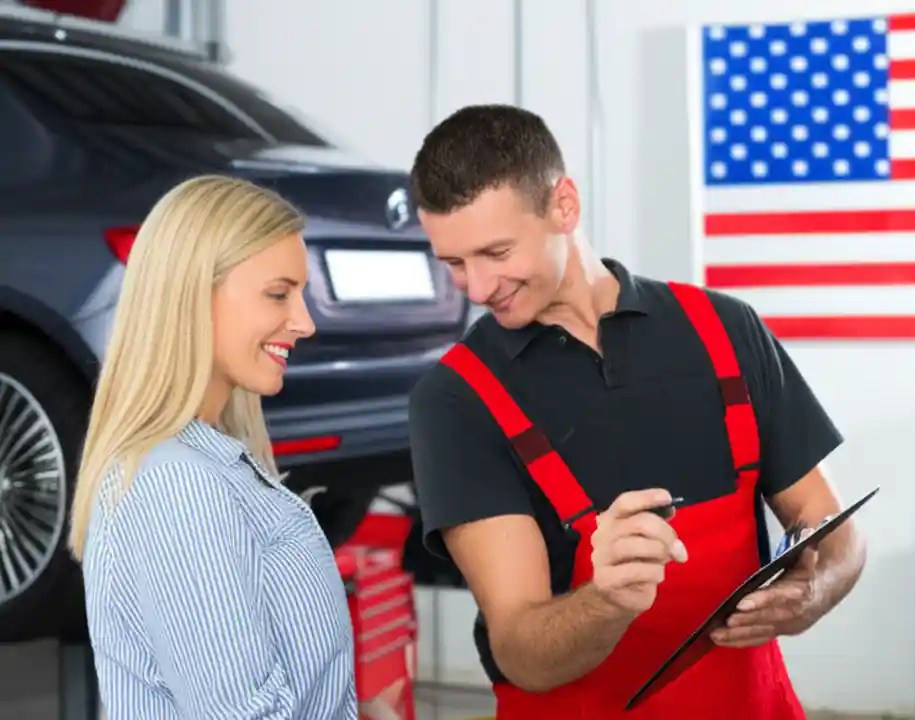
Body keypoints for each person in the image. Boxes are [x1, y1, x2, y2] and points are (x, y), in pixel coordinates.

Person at [407, 104, 869, 719]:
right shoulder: (457, 399)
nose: (477, 287)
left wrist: (813, 590)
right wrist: (606, 601)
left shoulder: (726, 330)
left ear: (563, 206)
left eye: (495, 252)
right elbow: (519, 648)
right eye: (454, 264)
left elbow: (835, 532)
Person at [67, 175, 357, 719]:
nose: (305, 323)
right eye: (279, 293)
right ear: (194, 293)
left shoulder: (203, 466)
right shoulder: (177, 483)